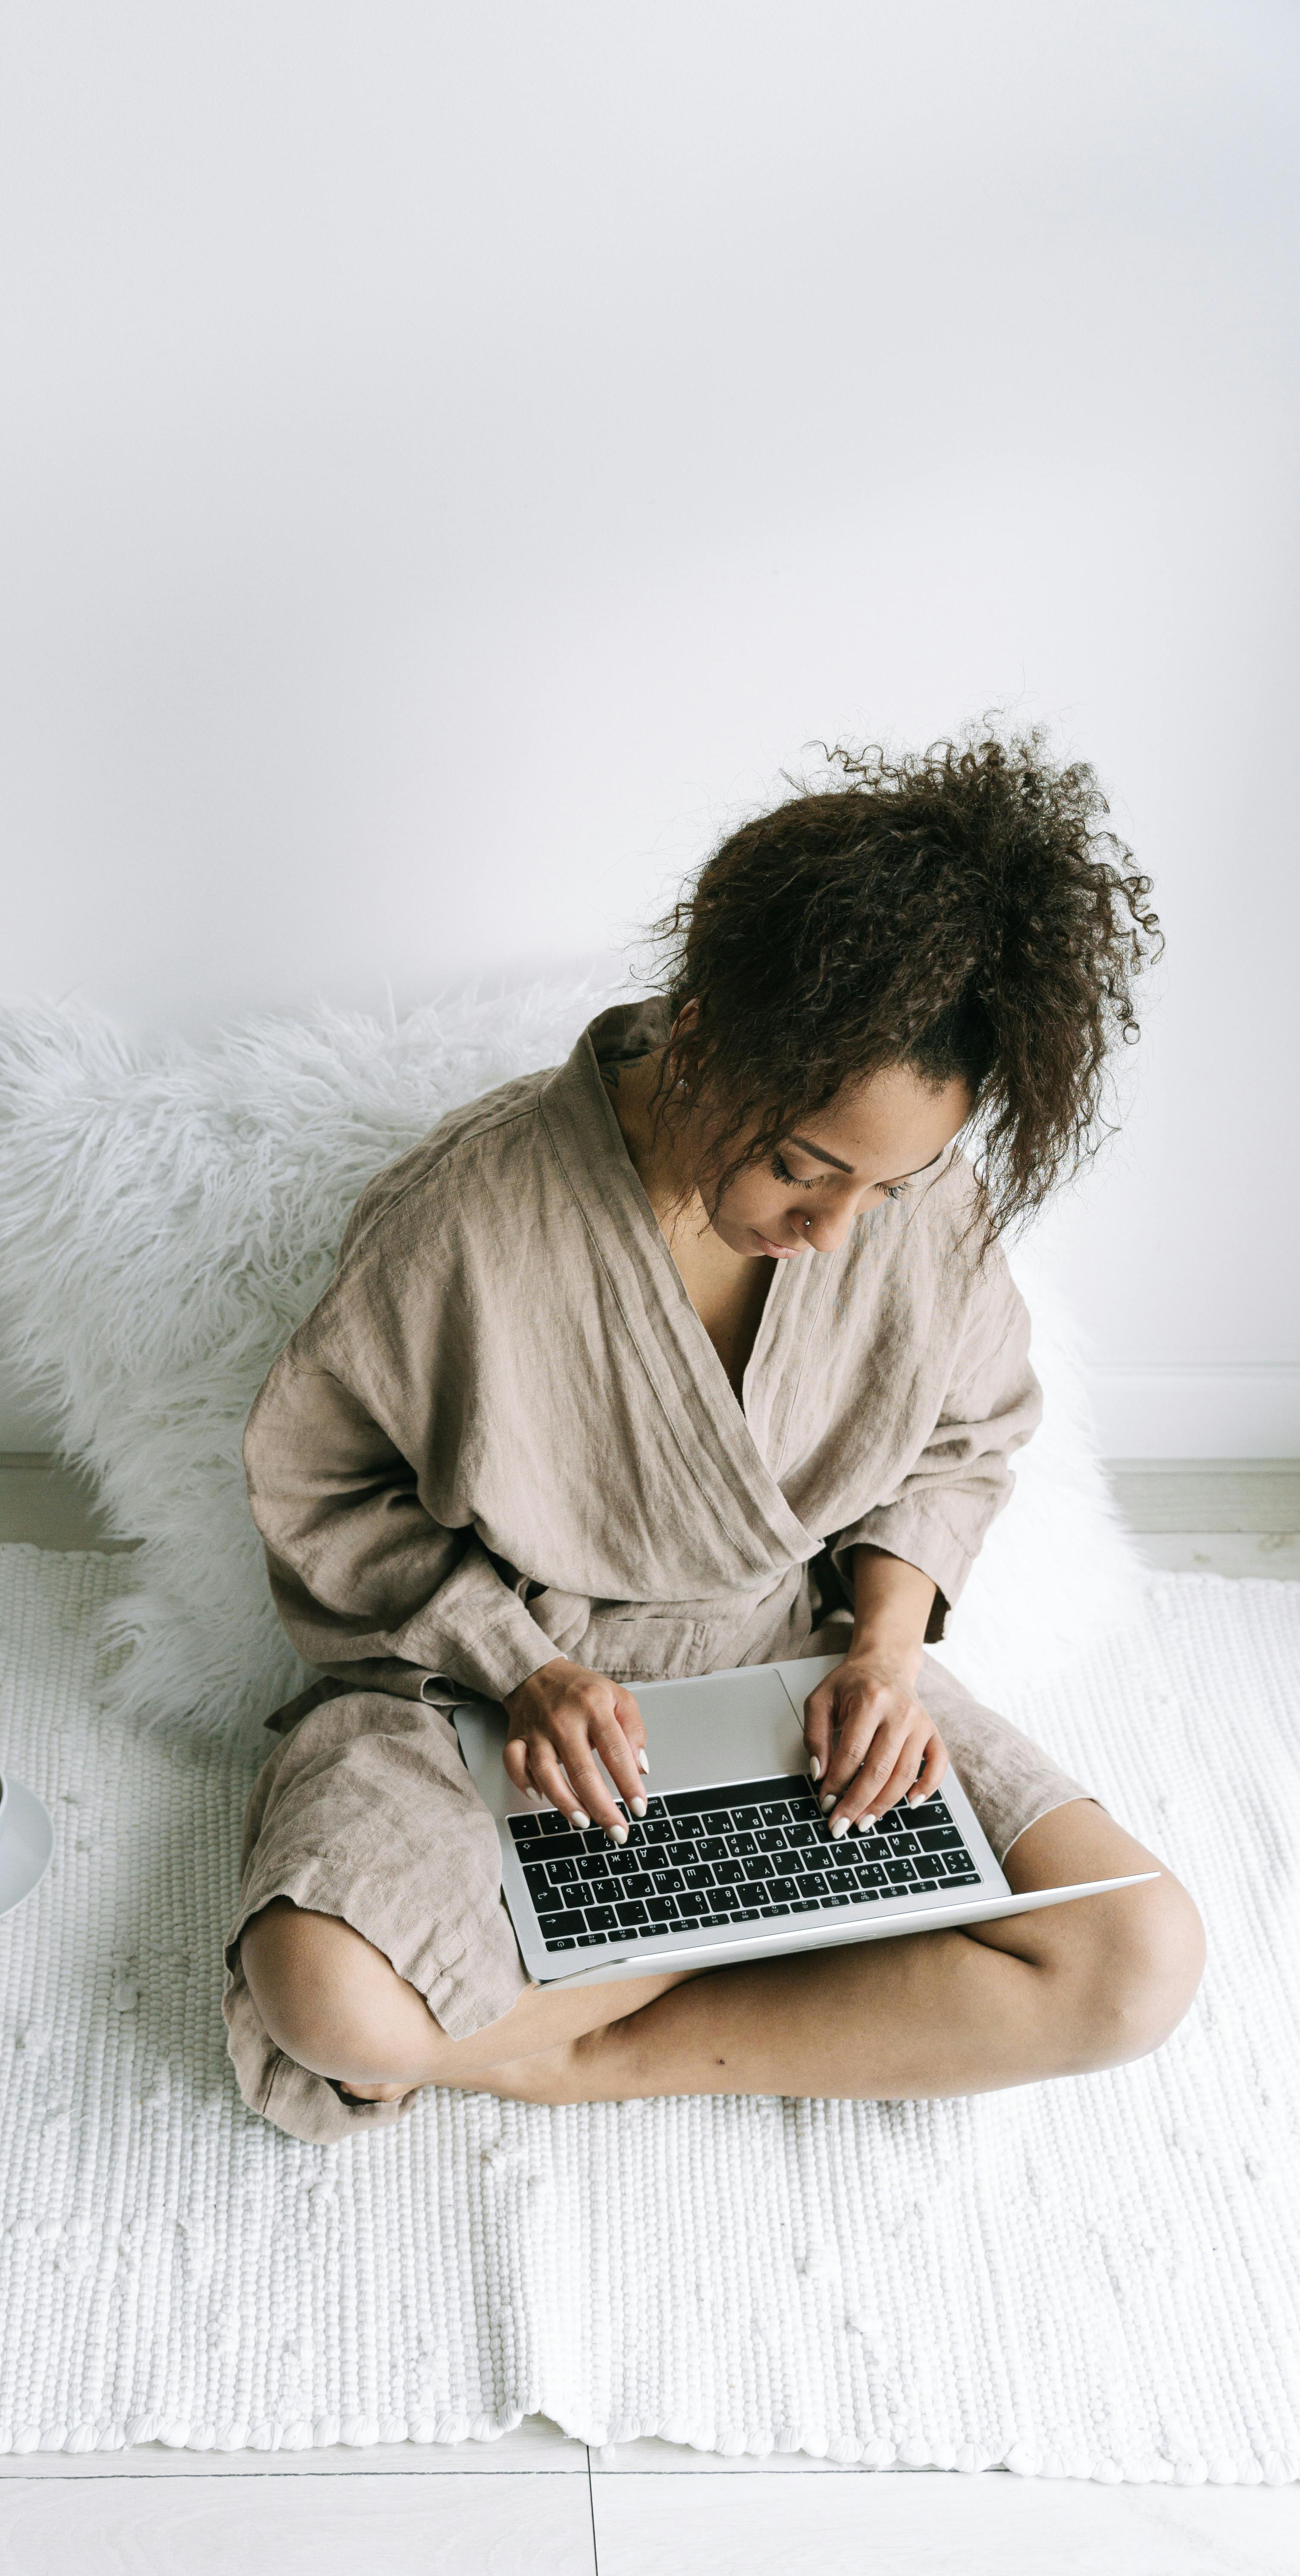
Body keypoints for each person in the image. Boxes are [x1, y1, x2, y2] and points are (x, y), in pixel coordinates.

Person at [225, 728, 1205, 2145]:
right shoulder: (466, 1215)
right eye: (807, 1168)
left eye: (889, 1184)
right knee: (327, 1999)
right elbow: (323, 1488)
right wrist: (529, 1668)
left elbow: (964, 1440)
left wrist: (881, 1653)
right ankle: (792, 1945)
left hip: (786, 1669)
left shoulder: (914, 1210)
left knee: (1137, 1958)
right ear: (702, 1040)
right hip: (490, 1689)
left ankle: (587, 2049)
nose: (832, 1232)